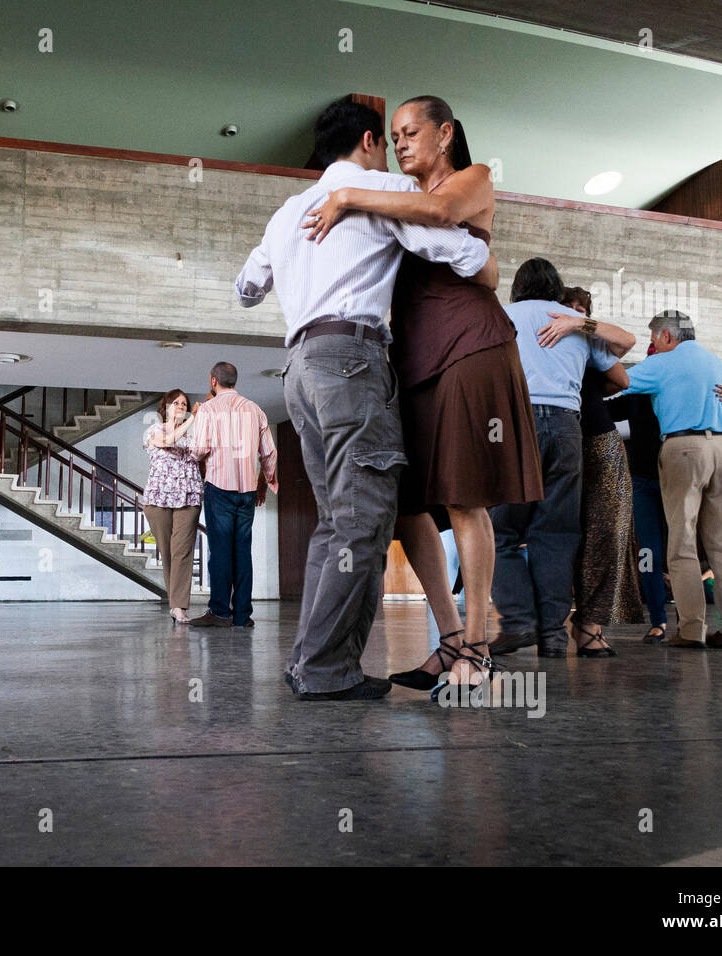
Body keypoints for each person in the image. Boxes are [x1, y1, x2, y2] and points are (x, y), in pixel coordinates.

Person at [237, 97, 495, 700]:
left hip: (298, 368)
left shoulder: (287, 213)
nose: (398, 148)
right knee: (361, 523)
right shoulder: (377, 189)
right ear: (369, 142)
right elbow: (457, 253)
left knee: (335, 524)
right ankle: (327, 673)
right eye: (392, 137)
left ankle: (310, 663)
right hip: (350, 361)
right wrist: (479, 252)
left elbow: (246, 288)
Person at [304, 94, 540, 691]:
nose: (401, 142)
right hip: (408, 360)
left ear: (446, 134)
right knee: (406, 506)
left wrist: (347, 191)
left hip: (468, 345)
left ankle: (479, 648)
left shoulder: (472, 178)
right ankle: (451, 637)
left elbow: (439, 215)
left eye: (412, 132)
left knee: (465, 499)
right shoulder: (394, 200)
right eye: (393, 134)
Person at [489, 259, 632, 658]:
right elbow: (623, 370)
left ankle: (519, 622)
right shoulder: (572, 319)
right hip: (568, 429)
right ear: (556, 287)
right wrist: (578, 324)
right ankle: (551, 635)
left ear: (517, 287)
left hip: (517, 425)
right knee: (556, 534)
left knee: (500, 532)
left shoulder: (499, 315)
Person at [621, 309, 722, 649]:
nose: (654, 345)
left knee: (682, 545)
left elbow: (618, 382)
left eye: (654, 339)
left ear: (666, 336)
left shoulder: (659, 363)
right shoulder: (713, 361)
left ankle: (691, 629)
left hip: (684, 449)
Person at [559, 287, 644, 655]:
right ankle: (536, 623)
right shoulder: (540, 339)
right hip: (557, 438)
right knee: (554, 531)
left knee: (609, 530)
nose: (576, 313)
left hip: (599, 438)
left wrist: (580, 322)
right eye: (571, 307)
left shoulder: (588, 341)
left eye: (582, 309)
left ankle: (590, 624)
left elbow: (623, 369)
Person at [186, 363, 276, 631]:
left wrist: (192, 453)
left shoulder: (208, 410)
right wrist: (266, 481)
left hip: (219, 488)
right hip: (247, 490)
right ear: (234, 381)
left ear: (213, 381)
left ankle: (221, 612)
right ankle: (242, 616)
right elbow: (269, 453)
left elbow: (200, 449)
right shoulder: (255, 409)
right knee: (242, 551)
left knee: (221, 551)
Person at [141, 389, 203, 624]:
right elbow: (169, 441)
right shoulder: (154, 431)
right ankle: (174, 602)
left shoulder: (192, 436)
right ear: (165, 407)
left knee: (182, 551)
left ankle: (179, 608)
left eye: (183, 403)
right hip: (158, 500)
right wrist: (192, 419)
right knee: (168, 553)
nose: (179, 406)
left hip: (189, 497)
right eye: (175, 402)